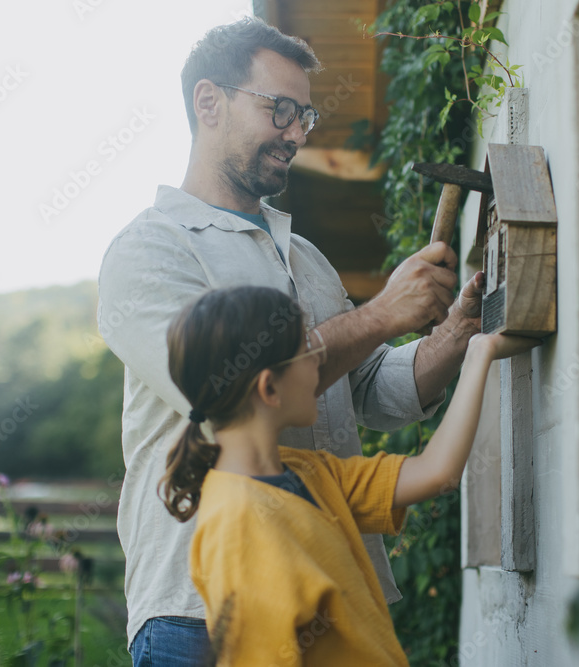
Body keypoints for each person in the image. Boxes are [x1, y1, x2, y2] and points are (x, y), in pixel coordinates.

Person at [97, 18, 490, 665]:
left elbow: (372, 393)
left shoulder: (306, 258)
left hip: (330, 593)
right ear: (208, 102)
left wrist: (453, 335)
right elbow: (216, 385)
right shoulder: (151, 249)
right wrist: (380, 314)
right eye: (280, 109)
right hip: (201, 613)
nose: (298, 132)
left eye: (303, 114)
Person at [158, 285, 538, 665]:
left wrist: (478, 352)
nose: (320, 363)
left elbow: (436, 473)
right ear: (269, 387)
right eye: (306, 352)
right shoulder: (238, 524)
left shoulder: (306, 473)